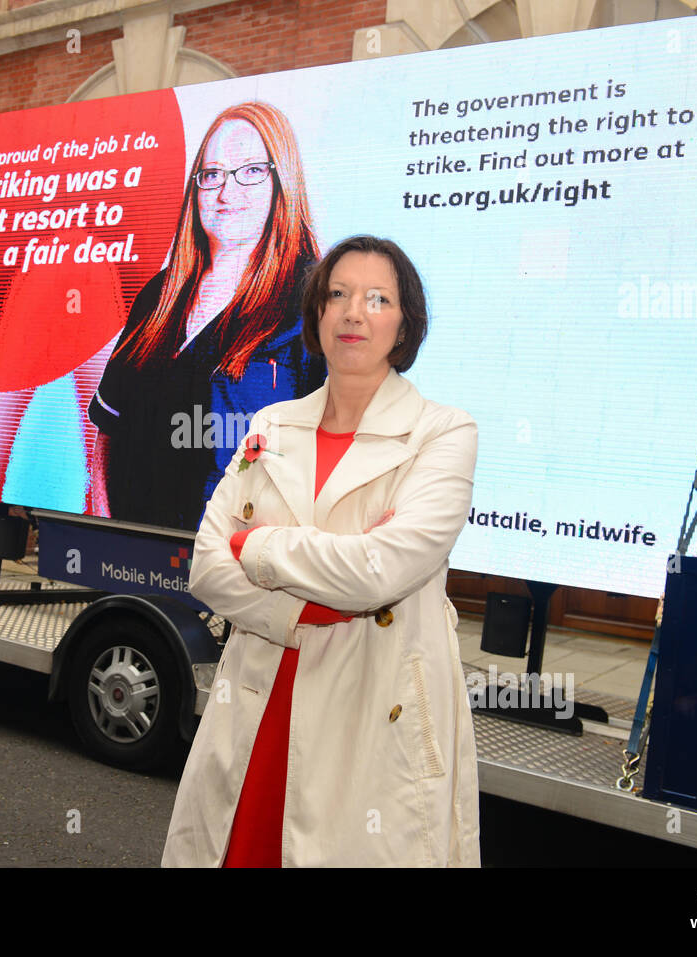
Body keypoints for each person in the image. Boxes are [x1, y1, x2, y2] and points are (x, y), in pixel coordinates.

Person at [161, 236, 481, 867]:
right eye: (337, 294)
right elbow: (205, 564)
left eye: (377, 298)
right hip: (257, 710)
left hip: (371, 715)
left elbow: (378, 573)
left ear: (405, 324)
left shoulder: (444, 434)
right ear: (315, 315)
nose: (353, 312)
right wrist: (306, 608)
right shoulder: (270, 426)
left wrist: (257, 545)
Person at [87, 102, 324, 531]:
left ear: (281, 179)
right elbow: (109, 431)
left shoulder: (311, 301)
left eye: (250, 171)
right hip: (131, 553)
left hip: (237, 565)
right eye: (212, 175)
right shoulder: (159, 296)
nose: (226, 193)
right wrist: (105, 528)